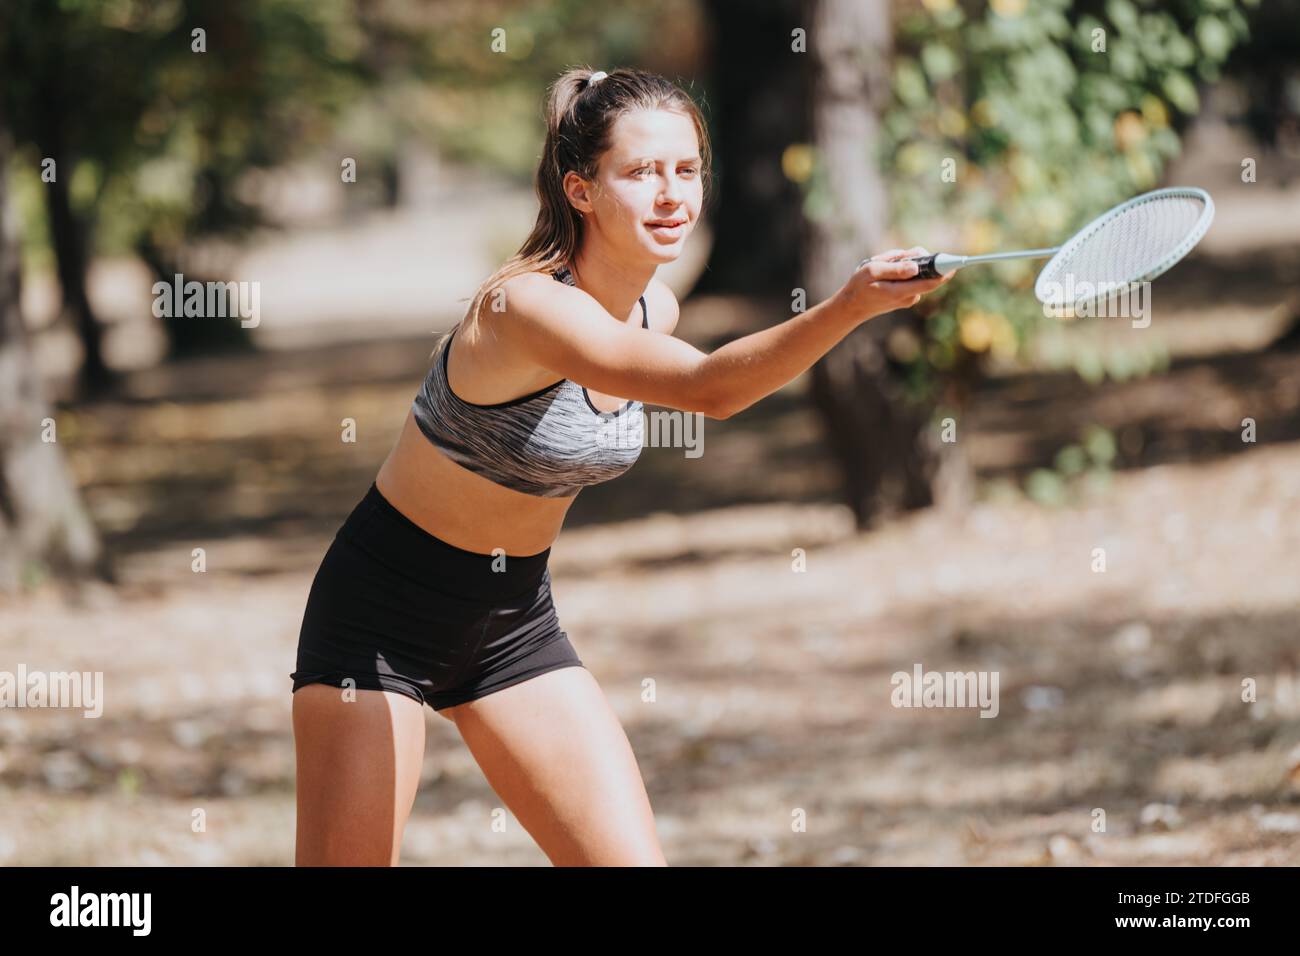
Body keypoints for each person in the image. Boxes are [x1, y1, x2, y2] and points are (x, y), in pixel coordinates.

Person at [289, 66, 952, 867]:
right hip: (378, 625)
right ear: (580, 189)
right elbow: (712, 390)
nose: (671, 193)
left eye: (686, 169)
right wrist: (849, 305)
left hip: (512, 626)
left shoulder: (654, 310)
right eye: (640, 173)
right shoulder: (525, 308)